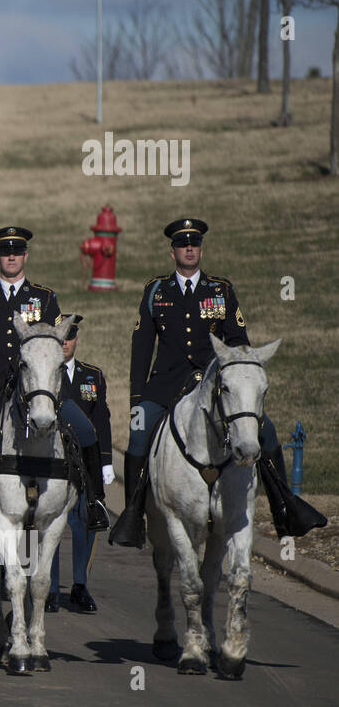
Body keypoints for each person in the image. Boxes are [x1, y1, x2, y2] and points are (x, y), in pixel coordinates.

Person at [110, 218, 327, 547]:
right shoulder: (156, 290)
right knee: (139, 436)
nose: (189, 249)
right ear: (173, 252)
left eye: (194, 244)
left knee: (264, 429)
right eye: (183, 244)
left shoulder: (221, 290)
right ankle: (133, 515)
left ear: (201, 249)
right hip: (165, 385)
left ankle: (285, 506)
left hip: (213, 384)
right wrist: (137, 400)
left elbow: (239, 340)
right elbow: (141, 349)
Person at [0, 227, 108, 537]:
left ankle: (95, 501)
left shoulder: (44, 297)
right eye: (5, 251)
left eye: (16, 251)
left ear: (25, 256)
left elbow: (56, 348)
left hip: (40, 387)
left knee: (85, 430)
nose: (11, 256)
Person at [47, 317, 112, 613]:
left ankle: (79, 585)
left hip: (83, 464)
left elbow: (101, 423)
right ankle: (48, 588)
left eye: (70, 337)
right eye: (61, 337)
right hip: (54, 462)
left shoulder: (92, 376)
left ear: (76, 340)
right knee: (49, 525)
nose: (65, 343)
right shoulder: (44, 373)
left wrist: (106, 462)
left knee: (85, 521)